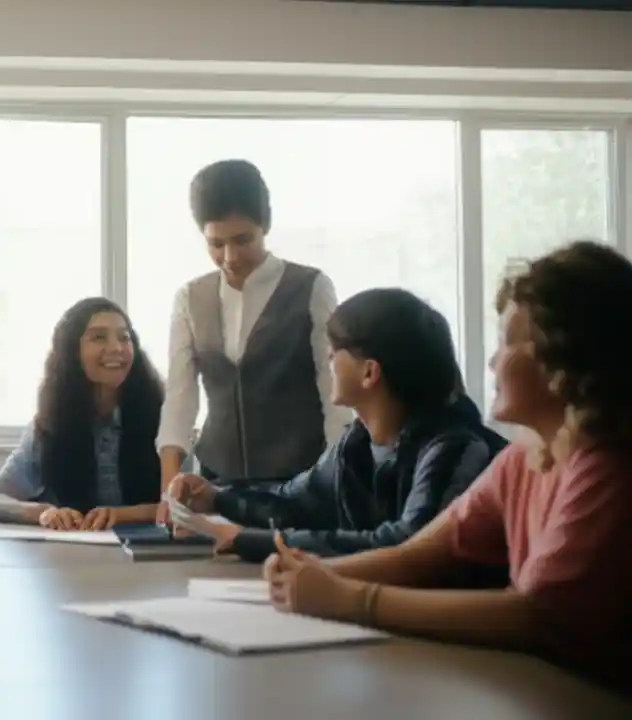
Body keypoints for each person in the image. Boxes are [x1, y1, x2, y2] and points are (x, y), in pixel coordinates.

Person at [264, 241, 632, 693]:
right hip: (542, 690)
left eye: (509, 342)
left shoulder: (607, 464)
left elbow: (535, 615)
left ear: (568, 358)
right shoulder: (524, 457)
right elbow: (421, 554)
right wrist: (314, 574)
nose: (494, 360)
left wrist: (353, 599)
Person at [168, 289, 506, 561]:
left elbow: (407, 544)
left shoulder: (458, 446)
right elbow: (294, 504)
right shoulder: (355, 445)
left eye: (335, 351)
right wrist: (216, 498)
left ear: (369, 372)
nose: (328, 359)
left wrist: (259, 542)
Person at [156, 160, 351, 522]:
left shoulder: (311, 287)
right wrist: (170, 492)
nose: (229, 257)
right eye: (216, 243)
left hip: (298, 481)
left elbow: (334, 392)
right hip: (216, 483)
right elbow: (180, 399)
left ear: (266, 226)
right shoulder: (190, 297)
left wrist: (336, 479)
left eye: (243, 240)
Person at [0, 297, 165, 530]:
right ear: (72, 351)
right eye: (99, 337)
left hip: (147, 557)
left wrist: (122, 515)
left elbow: (186, 506)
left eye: (124, 337)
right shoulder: (49, 425)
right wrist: (44, 512)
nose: (117, 348)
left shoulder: (163, 418)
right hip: (70, 557)